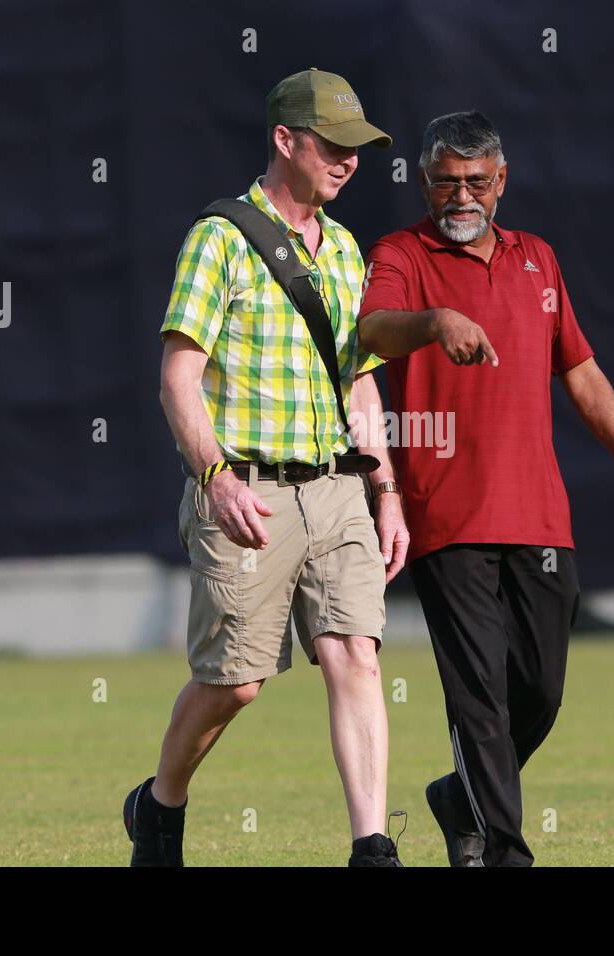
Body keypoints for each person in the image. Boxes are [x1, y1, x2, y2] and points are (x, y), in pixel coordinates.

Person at [357, 110, 614, 866]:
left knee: (541, 692)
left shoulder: (539, 260)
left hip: (540, 514)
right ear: (424, 184)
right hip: (446, 516)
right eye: (444, 183)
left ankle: (458, 798)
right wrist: (434, 321)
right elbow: (372, 332)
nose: (459, 197)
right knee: (479, 699)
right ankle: (505, 851)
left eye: (475, 182)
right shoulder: (402, 253)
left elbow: (581, 372)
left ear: (501, 182)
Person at [123, 68, 410, 867]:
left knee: (356, 651)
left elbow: (357, 381)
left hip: (338, 486)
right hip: (244, 491)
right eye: (334, 144)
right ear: (285, 140)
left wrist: (385, 491)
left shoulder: (349, 252)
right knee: (235, 683)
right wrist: (214, 478)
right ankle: (159, 805)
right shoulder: (218, 238)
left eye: (359, 148)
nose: (350, 161)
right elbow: (178, 375)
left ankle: (372, 847)